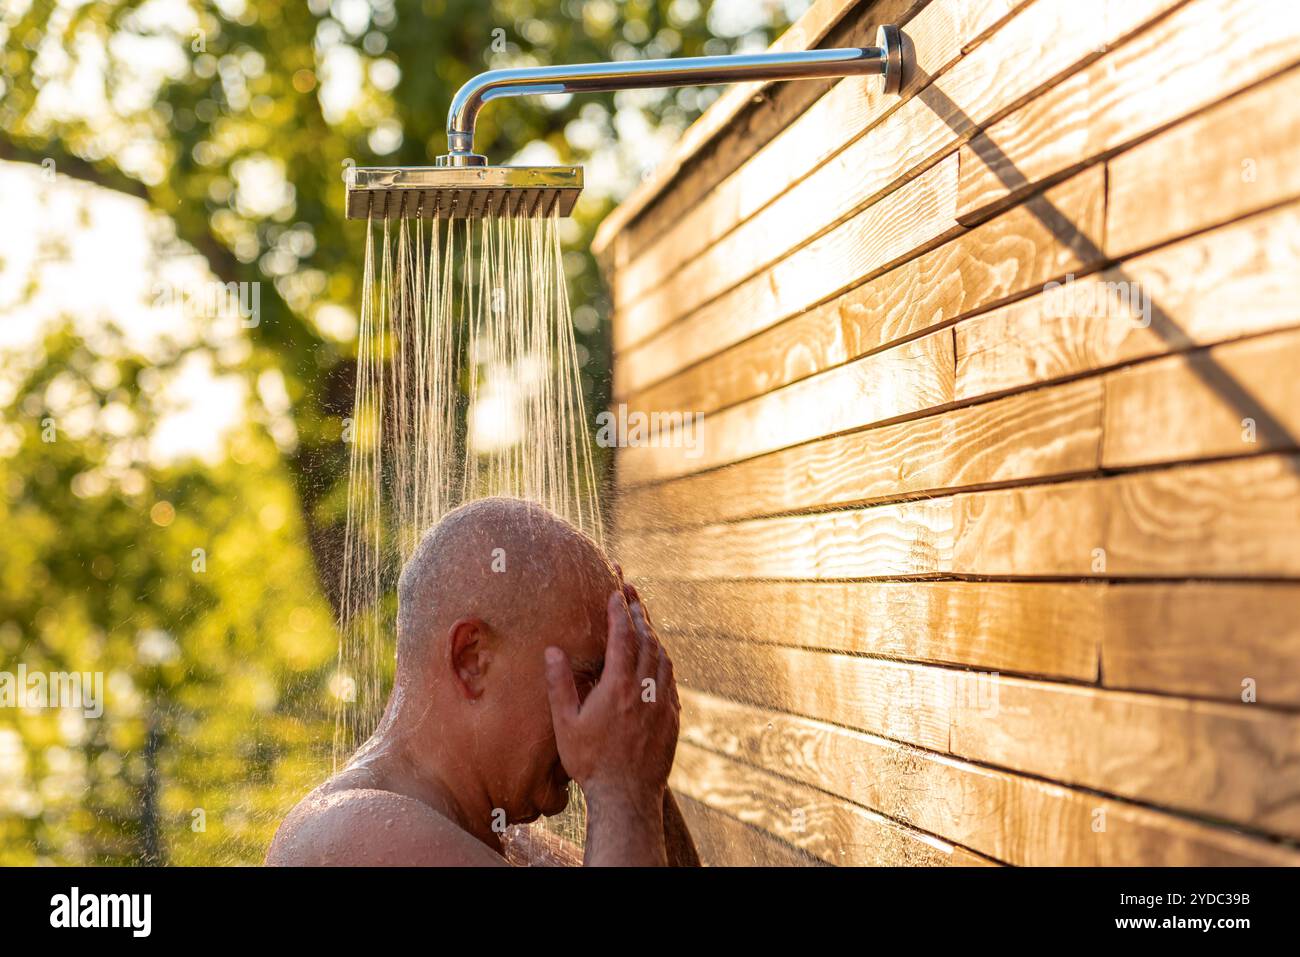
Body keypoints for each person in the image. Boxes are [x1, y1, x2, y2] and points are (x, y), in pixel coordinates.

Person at [266, 497, 699, 866]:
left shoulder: (509, 841)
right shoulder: (353, 834)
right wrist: (622, 789)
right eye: (590, 675)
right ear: (471, 659)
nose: (605, 708)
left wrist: (641, 771)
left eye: (617, 678)